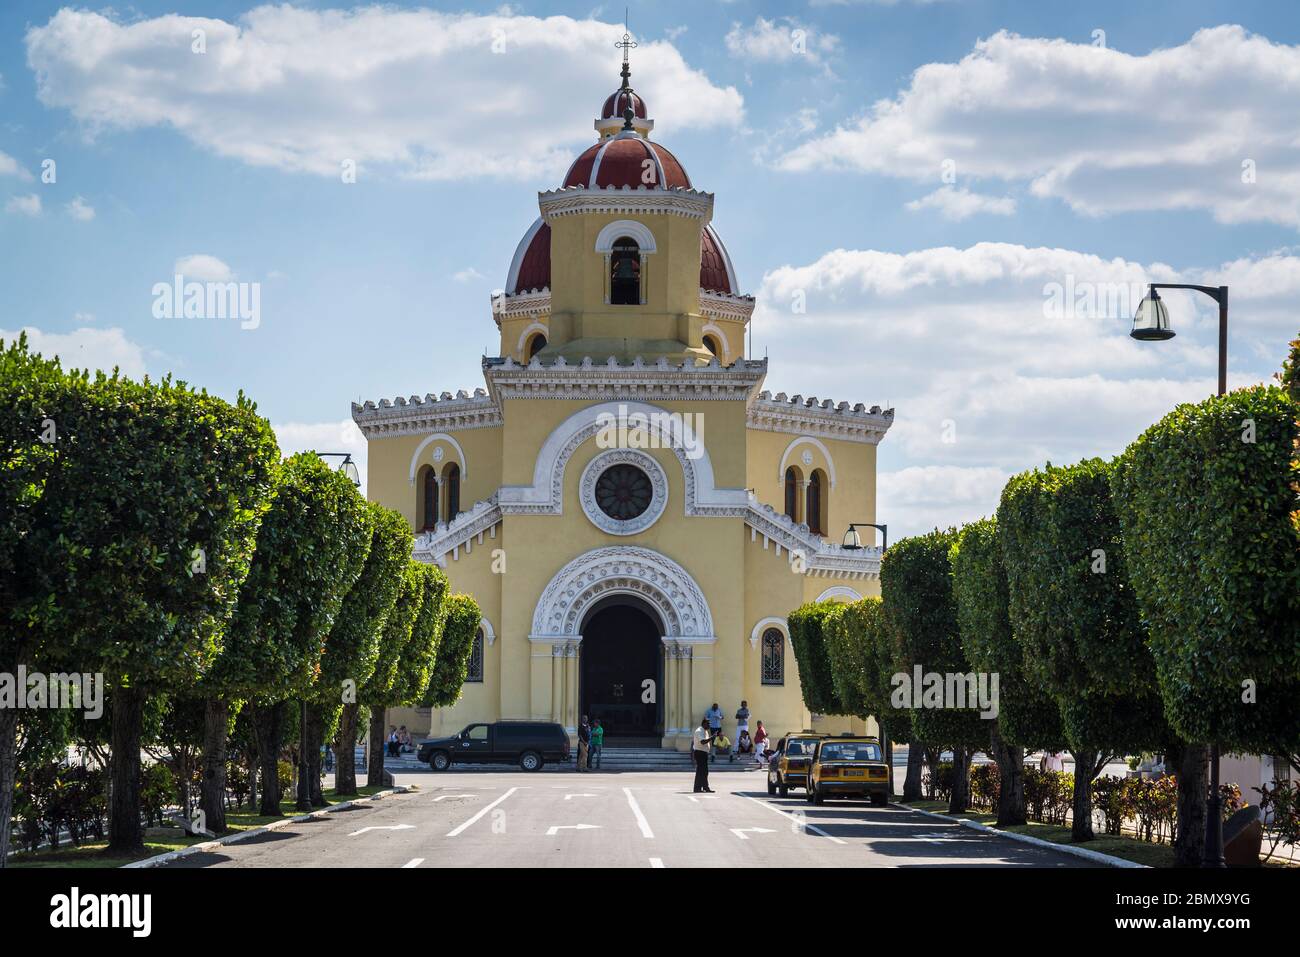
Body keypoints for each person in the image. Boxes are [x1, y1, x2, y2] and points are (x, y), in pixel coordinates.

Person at [692, 717, 717, 793]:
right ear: (704, 723)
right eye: (708, 724)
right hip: (700, 753)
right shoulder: (699, 731)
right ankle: (702, 788)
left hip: (703, 753)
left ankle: (700, 788)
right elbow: (702, 742)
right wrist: (712, 738)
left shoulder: (705, 731)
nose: (709, 725)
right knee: (702, 771)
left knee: (702, 771)